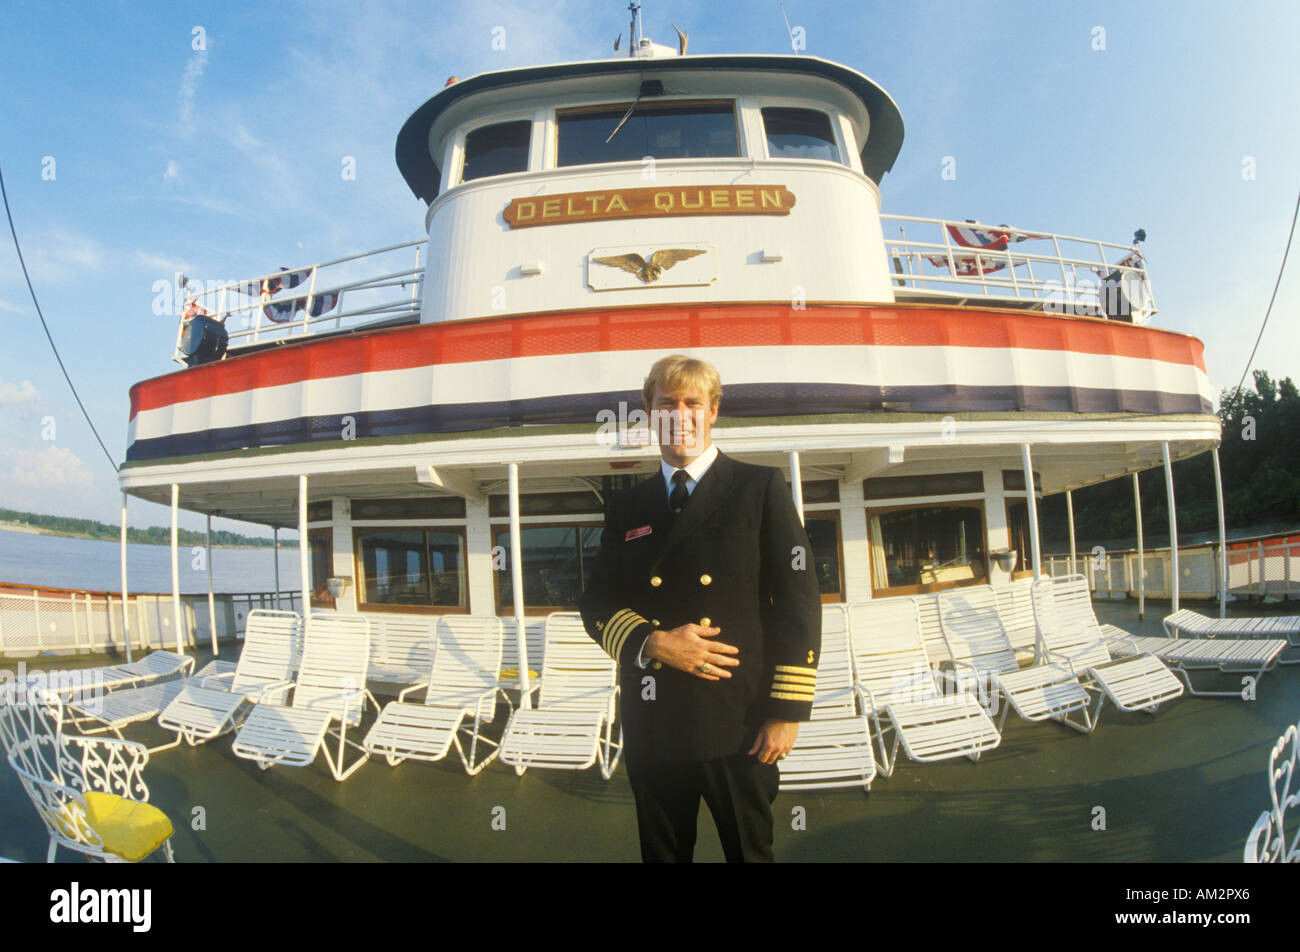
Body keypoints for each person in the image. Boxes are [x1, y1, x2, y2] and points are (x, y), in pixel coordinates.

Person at [579, 354, 822, 862]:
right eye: (667, 403)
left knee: (749, 853)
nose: (680, 414)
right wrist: (653, 642)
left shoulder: (759, 488)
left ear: (713, 411)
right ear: (649, 411)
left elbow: (798, 604)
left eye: (693, 402)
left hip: (740, 724)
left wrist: (786, 712)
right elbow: (597, 603)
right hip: (654, 722)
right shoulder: (628, 506)